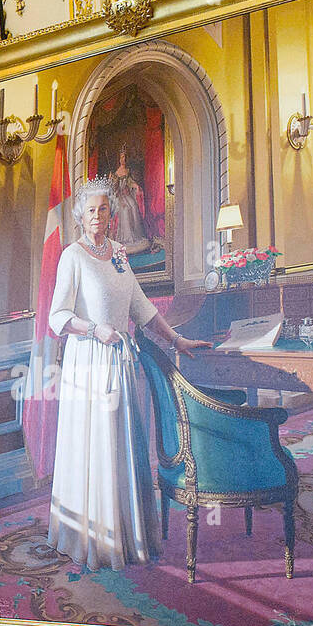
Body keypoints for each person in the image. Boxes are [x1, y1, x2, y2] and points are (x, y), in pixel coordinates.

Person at [45, 177, 209, 571]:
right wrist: (94, 329)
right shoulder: (73, 256)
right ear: (80, 216)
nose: (98, 216)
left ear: (112, 214)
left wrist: (176, 340)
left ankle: (126, 533)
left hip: (120, 363)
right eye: (91, 210)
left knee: (121, 445)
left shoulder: (118, 254)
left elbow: (140, 306)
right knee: (97, 446)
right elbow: (57, 318)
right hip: (89, 363)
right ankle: (93, 539)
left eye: (104, 209)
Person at [107, 150, 151, 255]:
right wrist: (112, 181)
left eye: (125, 158)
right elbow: (112, 188)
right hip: (118, 196)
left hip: (127, 195)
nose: (123, 160)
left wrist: (136, 186)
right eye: (122, 157)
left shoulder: (127, 170)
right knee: (125, 209)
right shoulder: (116, 172)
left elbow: (130, 182)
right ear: (119, 159)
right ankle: (124, 238)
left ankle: (135, 236)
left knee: (133, 205)